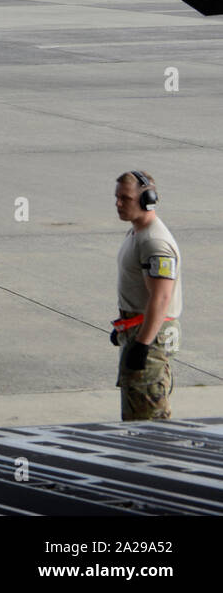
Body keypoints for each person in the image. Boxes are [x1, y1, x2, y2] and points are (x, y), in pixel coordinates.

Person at [111, 170, 182, 421]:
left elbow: (161, 298)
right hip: (138, 330)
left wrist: (142, 344)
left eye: (126, 198)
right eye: (117, 197)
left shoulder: (155, 242)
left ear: (147, 200)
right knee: (135, 412)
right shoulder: (137, 233)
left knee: (150, 418)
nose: (118, 204)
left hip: (150, 339)